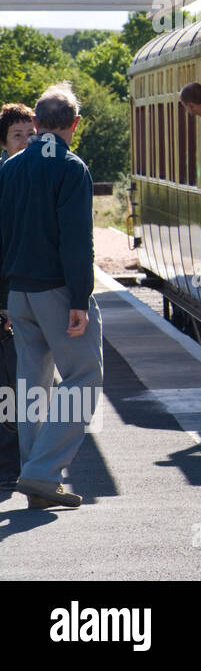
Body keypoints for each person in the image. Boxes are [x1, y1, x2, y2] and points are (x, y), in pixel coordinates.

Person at [0, 83, 102, 510]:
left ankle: (35, 477)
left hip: (18, 294)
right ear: (74, 124)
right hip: (56, 292)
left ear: (37, 123)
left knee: (31, 388)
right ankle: (42, 474)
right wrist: (80, 299)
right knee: (83, 378)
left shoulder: (11, 167)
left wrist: (3, 296)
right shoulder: (71, 168)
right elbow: (77, 240)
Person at [0, 103, 35, 489]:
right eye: (17, 135)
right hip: (9, 299)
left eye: (30, 134)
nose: (25, 142)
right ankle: (10, 466)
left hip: (27, 297)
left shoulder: (34, 177)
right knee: (8, 385)